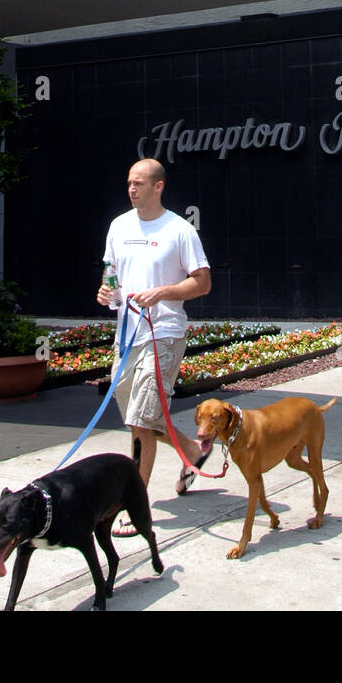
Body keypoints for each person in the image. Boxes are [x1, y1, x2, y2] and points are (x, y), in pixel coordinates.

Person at [97, 157, 212, 535]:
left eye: (139, 184)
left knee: (141, 422)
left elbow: (202, 283)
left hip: (164, 333)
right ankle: (194, 452)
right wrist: (107, 293)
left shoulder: (179, 230)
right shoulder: (118, 226)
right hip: (126, 336)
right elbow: (111, 274)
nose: (132, 189)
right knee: (140, 413)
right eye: (129, 183)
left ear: (158, 186)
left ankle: (135, 504)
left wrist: (163, 292)